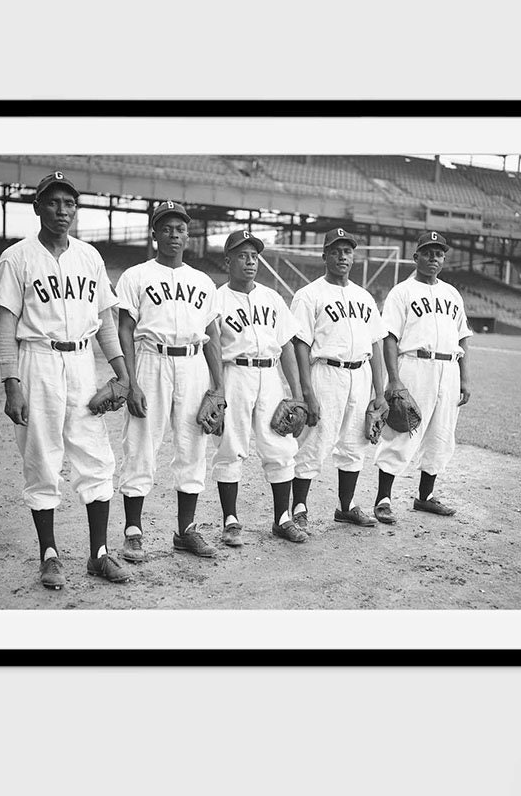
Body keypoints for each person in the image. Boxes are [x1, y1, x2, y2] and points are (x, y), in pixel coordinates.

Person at [0, 171, 130, 588]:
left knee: (96, 455)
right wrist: (11, 382)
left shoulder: (89, 256)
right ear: (37, 206)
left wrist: (123, 374)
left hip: (82, 361)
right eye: (53, 202)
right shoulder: (16, 257)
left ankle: (99, 554)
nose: (62, 210)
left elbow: (106, 321)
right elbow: (5, 322)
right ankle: (49, 554)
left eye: (69, 203)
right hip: (38, 359)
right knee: (42, 457)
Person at [115, 201, 224, 561]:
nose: (174, 234)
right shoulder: (136, 275)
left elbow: (212, 335)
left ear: (187, 235)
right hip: (151, 360)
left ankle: (186, 530)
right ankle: (133, 531)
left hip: (192, 364)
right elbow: (125, 330)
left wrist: (219, 387)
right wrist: (131, 381)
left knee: (193, 445)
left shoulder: (202, 281)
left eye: (180, 229)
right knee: (141, 442)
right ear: (155, 234)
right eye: (166, 228)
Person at [211, 229, 308, 547]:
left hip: (269, 377)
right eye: (242, 255)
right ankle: (231, 520)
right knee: (230, 445)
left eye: (254, 256)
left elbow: (288, 346)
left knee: (280, 448)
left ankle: (283, 519)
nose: (250, 261)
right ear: (228, 261)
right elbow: (209, 348)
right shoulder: (216, 299)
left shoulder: (272, 297)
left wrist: (295, 393)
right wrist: (217, 389)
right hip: (235, 374)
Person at [289, 228, 388, 530]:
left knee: (354, 442)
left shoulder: (364, 296)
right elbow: (300, 345)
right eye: (335, 251)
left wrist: (380, 393)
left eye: (347, 251)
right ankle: (299, 507)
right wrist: (307, 392)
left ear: (354, 256)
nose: (342, 256)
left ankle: (346, 506)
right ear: (324, 256)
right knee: (316, 440)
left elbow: (376, 344)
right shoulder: (308, 295)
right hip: (326, 372)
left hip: (361, 373)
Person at [373, 231, 472, 522]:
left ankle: (425, 497)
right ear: (416, 257)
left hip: (449, 369)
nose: (433, 258)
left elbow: (463, 337)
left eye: (438, 253)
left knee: (441, 434)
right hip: (415, 365)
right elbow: (389, 336)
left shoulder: (452, 293)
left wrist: (465, 378)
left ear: (443, 259)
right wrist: (394, 379)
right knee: (401, 430)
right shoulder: (401, 292)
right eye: (427, 252)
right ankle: (383, 499)